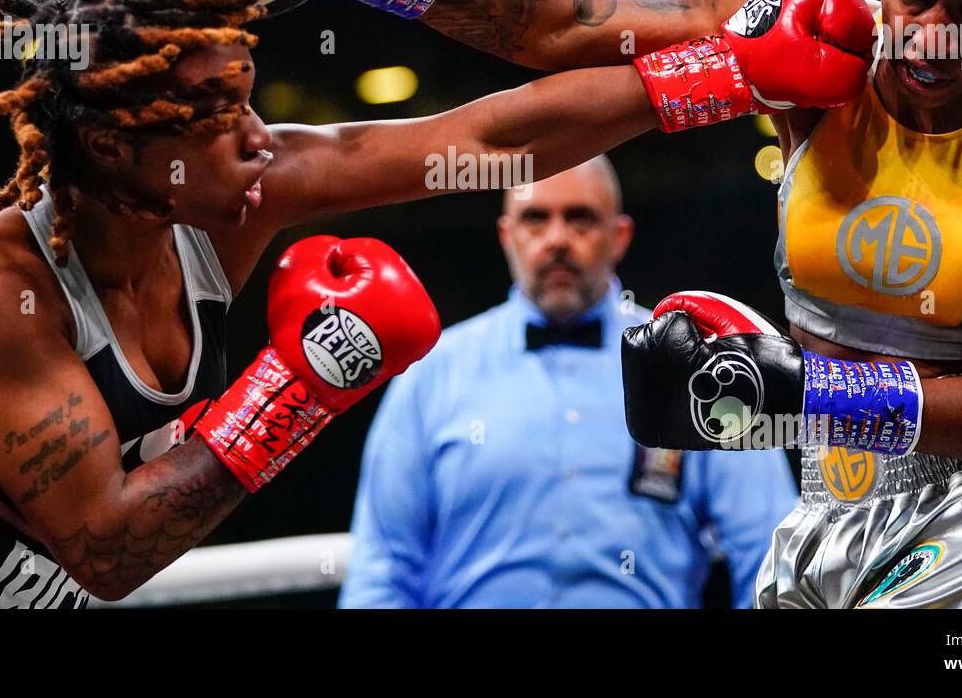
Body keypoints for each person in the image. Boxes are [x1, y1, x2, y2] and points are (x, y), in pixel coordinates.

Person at [0, 0, 869, 609]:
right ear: (113, 145)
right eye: (208, 111)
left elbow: (478, 139)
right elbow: (107, 549)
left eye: (246, 92)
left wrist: (721, 72)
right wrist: (301, 381)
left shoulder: (233, 192)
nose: (250, 130)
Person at [194, 0, 962, 608]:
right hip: (829, 516)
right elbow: (562, 23)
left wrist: (800, 391)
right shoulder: (804, 34)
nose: (929, 36)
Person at [340, 158, 796, 608]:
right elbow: (381, 570)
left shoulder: (697, 367)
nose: (557, 239)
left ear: (619, 237)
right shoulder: (432, 373)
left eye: (580, 219)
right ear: (507, 236)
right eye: (536, 219)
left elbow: (768, 552)